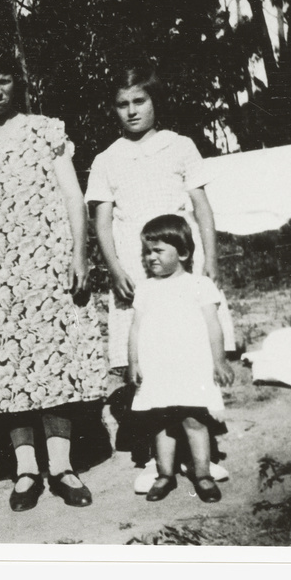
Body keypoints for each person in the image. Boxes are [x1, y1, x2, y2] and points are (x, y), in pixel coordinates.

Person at [0, 47, 107, 512]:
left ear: (17, 83)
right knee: (9, 364)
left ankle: (62, 467)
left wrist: (79, 255)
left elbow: (73, 196)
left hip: (48, 266)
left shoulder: (45, 130)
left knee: (53, 360)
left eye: (4, 81)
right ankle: (27, 469)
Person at [85, 62, 231, 490]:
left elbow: (201, 207)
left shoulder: (180, 146)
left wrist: (211, 258)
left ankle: (202, 454)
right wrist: (115, 269)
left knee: (190, 350)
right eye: (122, 104)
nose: (131, 111)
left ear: (155, 102)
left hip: (182, 260)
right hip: (137, 266)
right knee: (147, 355)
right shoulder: (106, 159)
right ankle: (156, 456)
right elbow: (102, 222)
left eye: (140, 101)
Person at [127, 215, 234, 503]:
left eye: (158, 251)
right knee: (161, 423)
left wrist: (219, 361)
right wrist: (134, 363)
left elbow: (213, 326)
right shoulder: (145, 288)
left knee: (194, 420)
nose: (151, 257)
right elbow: (136, 329)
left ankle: (203, 475)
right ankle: (164, 475)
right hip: (158, 368)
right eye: (147, 252)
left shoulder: (200, 284)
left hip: (191, 367)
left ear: (183, 253)